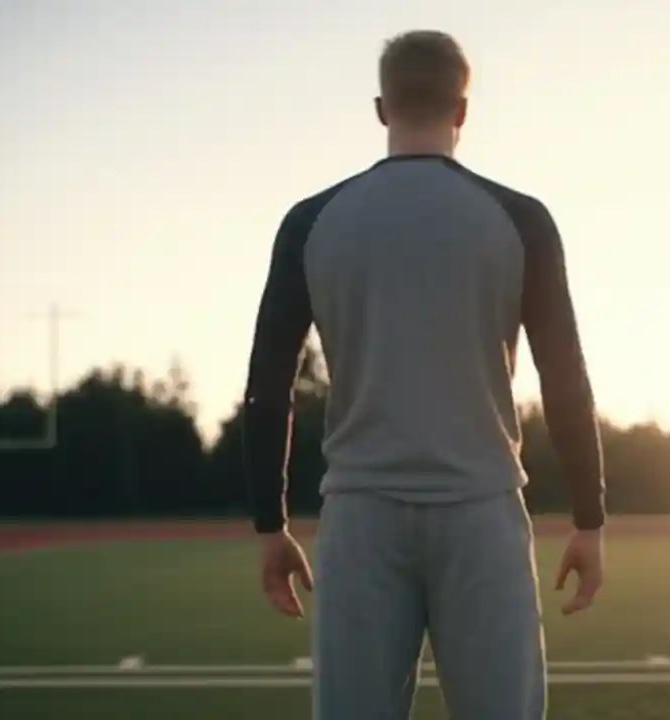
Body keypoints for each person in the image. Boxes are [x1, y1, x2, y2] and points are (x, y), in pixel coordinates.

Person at [242, 29, 605, 719]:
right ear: (462, 110)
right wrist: (589, 518)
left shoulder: (312, 222)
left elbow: (267, 386)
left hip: (360, 516)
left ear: (382, 108)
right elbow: (566, 379)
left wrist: (270, 523)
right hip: (483, 514)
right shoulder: (520, 220)